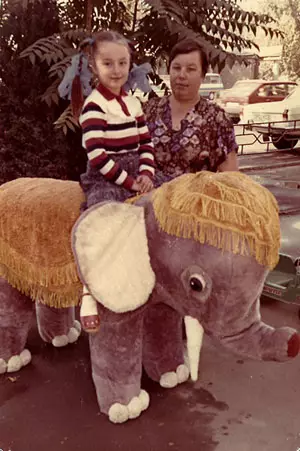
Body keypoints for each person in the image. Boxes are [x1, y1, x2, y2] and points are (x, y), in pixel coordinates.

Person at [79, 30, 155, 333]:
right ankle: (88, 292)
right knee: (99, 220)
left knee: (166, 208)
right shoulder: (94, 106)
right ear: (94, 66)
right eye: (108, 63)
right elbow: (97, 155)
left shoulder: (134, 104)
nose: (117, 70)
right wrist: (129, 182)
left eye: (122, 62)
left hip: (137, 171)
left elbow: (146, 143)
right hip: (107, 174)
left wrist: (147, 174)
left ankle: (151, 283)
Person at [143, 39, 239, 181]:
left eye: (191, 69)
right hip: (148, 200)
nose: (182, 75)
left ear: (202, 75)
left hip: (196, 200)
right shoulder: (148, 111)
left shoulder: (217, 118)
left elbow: (232, 178)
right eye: (176, 68)